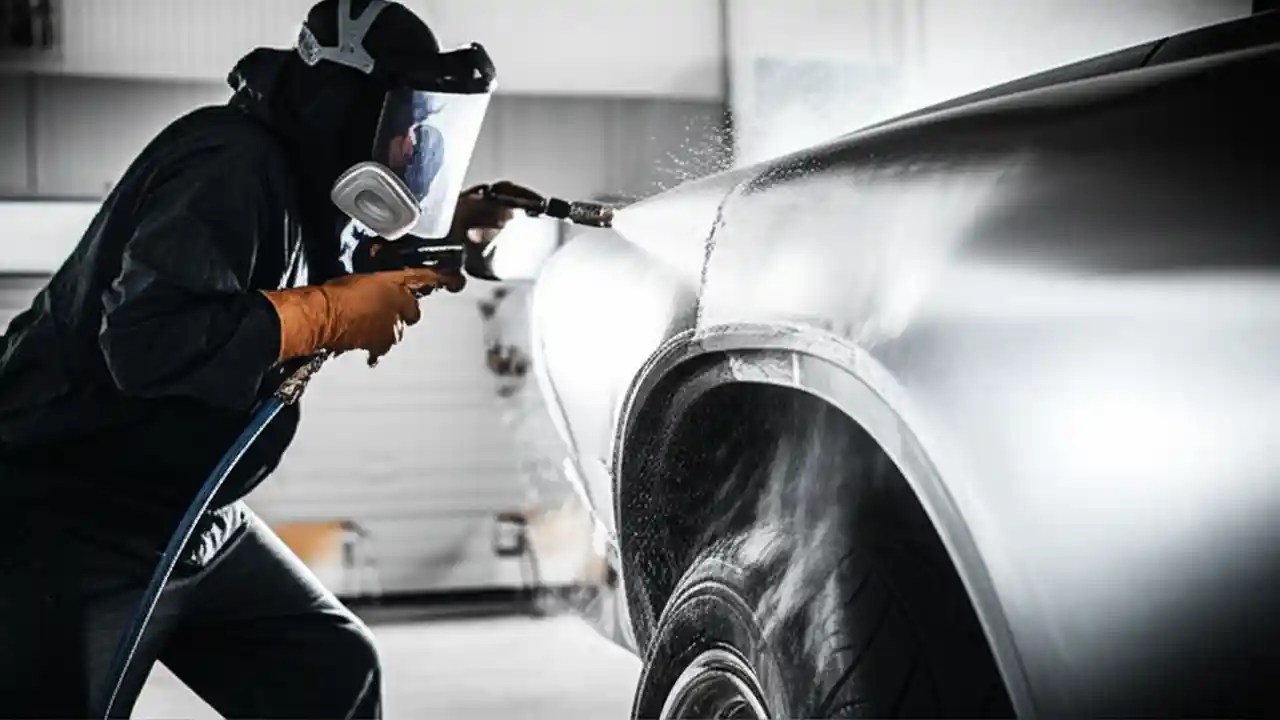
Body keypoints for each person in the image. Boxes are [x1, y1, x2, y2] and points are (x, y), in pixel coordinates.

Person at [0, 1, 527, 716]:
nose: (411, 147)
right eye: (402, 121)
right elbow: (146, 343)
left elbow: (351, 261)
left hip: (195, 515)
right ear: (343, 103)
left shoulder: (313, 190)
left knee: (331, 676)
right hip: (73, 514)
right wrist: (331, 314)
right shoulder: (229, 163)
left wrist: (455, 230)